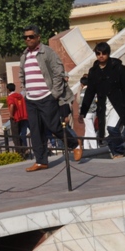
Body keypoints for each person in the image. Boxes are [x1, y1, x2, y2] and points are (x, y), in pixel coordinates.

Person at [19, 24, 81, 171]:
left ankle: (75, 144)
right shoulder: (24, 55)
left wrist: (54, 94)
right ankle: (41, 161)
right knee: (35, 131)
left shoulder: (47, 52)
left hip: (47, 97)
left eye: (31, 36)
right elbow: (22, 75)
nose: (28, 39)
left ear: (38, 37)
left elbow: (58, 72)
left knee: (54, 126)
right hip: (31, 99)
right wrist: (24, 91)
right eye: (25, 37)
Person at [79, 42, 125, 159]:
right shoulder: (94, 71)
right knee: (106, 133)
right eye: (98, 53)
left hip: (118, 104)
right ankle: (114, 153)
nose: (101, 56)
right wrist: (83, 111)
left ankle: (118, 152)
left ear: (108, 53)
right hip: (103, 105)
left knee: (112, 128)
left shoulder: (118, 68)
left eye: (104, 53)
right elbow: (89, 92)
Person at [5, 83, 29, 155]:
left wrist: (11, 114)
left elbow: (12, 105)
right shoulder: (20, 96)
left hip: (15, 118)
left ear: (8, 89)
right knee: (22, 134)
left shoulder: (10, 97)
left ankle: (19, 152)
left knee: (16, 135)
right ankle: (25, 149)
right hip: (23, 117)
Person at [79, 75, 99, 150]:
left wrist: (80, 113)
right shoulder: (92, 91)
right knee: (88, 129)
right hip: (93, 112)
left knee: (90, 129)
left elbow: (81, 104)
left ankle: (94, 147)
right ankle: (86, 146)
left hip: (87, 113)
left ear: (82, 84)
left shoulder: (83, 92)